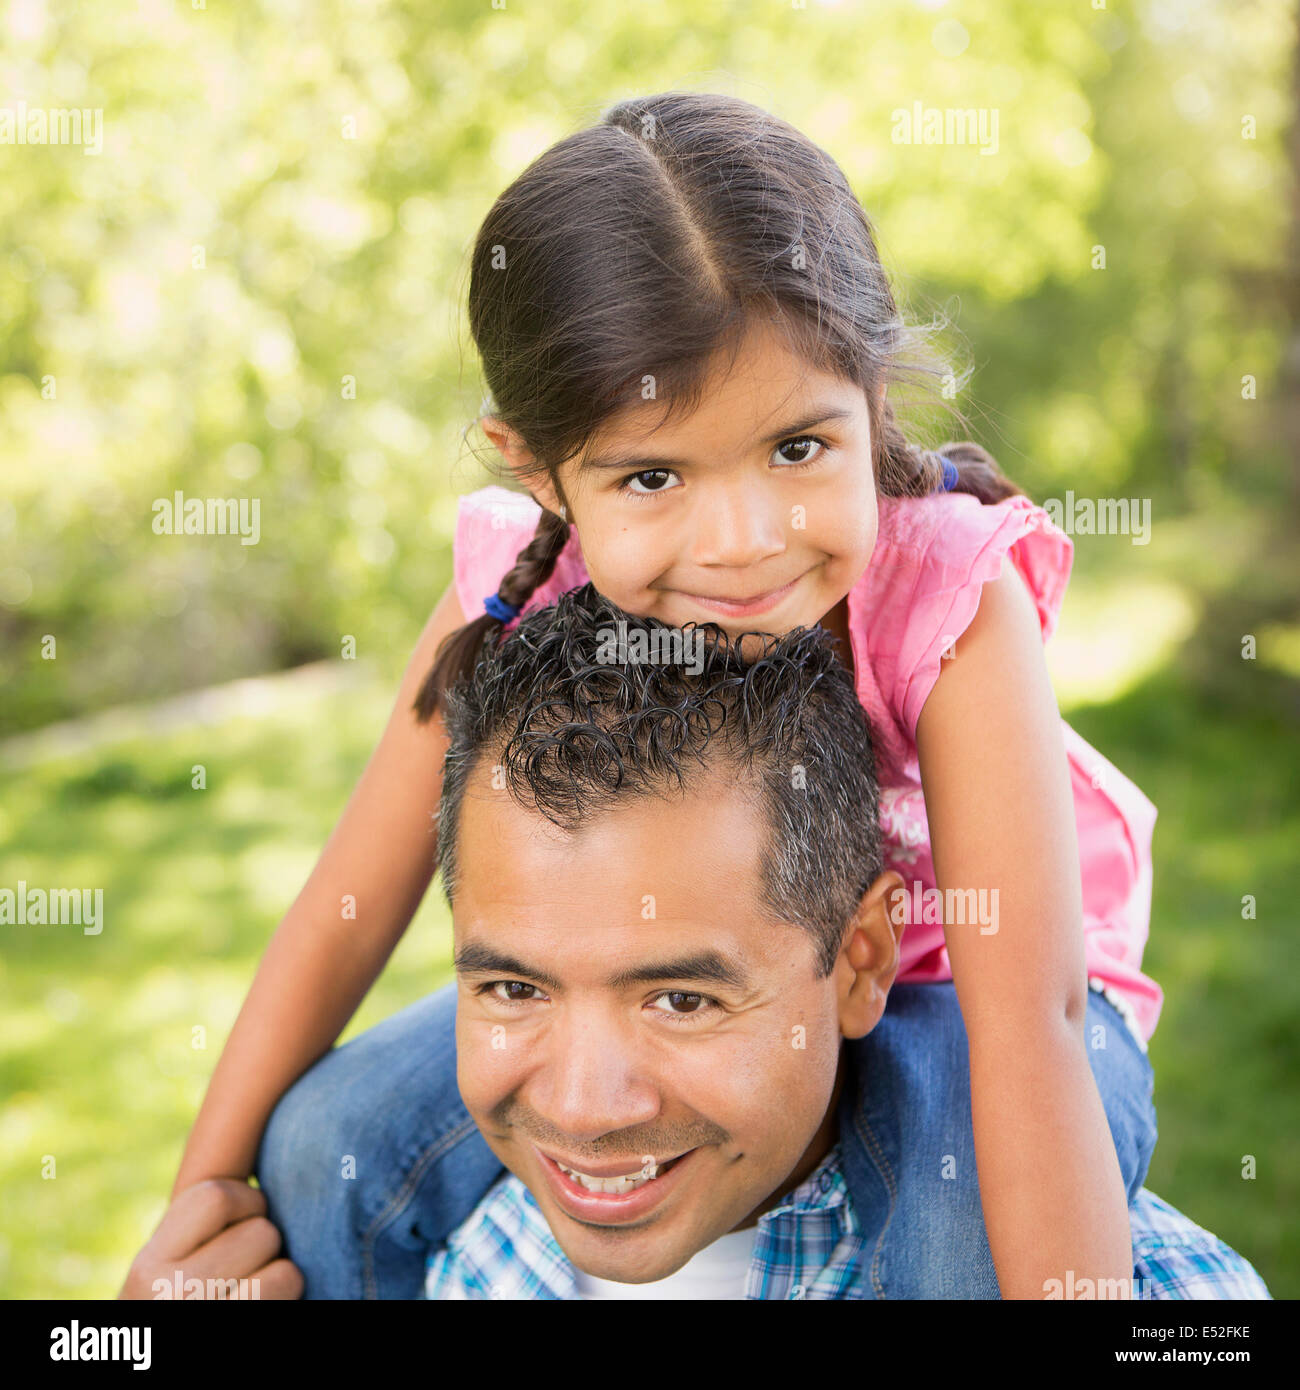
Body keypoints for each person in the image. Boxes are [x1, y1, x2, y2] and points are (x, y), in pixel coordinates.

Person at [172, 91, 1162, 1297]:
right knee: (327, 1148)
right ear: (537, 470)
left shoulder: (949, 597)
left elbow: (1037, 1024)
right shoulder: (514, 587)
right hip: (682, 978)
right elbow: (344, 908)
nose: (744, 540)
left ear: (872, 393)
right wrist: (191, 1214)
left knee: (951, 1221)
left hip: (960, 984)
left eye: (799, 448)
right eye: (652, 474)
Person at [122, 588, 1270, 1299]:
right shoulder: (458, 1250)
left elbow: (1033, 1021)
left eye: (679, 998)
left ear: (860, 958)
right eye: (514, 984)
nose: (583, 1105)